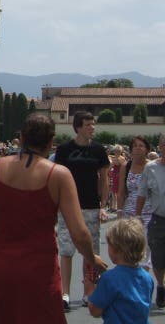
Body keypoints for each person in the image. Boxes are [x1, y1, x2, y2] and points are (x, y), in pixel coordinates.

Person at [0, 114, 106, 323]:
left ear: (21, 138)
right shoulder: (59, 175)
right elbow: (79, 232)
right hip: (38, 271)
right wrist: (91, 257)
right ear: (51, 142)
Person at [54, 110, 109, 310]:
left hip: (91, 205)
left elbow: (104, 178)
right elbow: (57, 177)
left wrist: (103, 205)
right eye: (88, 125)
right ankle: (65, 293)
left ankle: (89, 291)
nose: (92, 128)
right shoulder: (64, 150)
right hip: (68, 206)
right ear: (78, 127)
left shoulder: (99, 150)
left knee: (91, 251)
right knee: (66, 250)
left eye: (93, 124)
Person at [88, 218, 153, 323]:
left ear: (116, 249)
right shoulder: (148, 279)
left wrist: (90, 288)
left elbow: (95, 311)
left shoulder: (109, 279)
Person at [135, 133, 165, 308]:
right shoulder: (151, 168)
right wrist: (137, 216)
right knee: (158, 258)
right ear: (160, 148)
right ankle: (161, 286)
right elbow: (142, 193)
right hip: (158, 219)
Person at [117, 136, 152, 267]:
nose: (137, 148)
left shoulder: (151, 167)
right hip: (129, 213)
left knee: (144, 251)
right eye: (135, 145)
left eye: (141, 145)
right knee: (128, 249)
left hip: (148, 213)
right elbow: (121, 192)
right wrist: (120, 211)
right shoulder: (126, 166)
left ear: (147, 149)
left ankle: (143, 280)